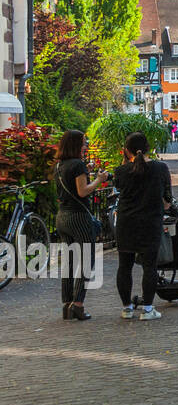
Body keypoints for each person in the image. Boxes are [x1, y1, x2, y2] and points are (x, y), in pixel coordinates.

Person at [114, 131, 173, 320]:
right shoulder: (160, 168)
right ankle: (148, 309)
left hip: (126, 222)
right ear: (148, 147)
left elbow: (120, 188)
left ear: (126, 150)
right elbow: (167, 201)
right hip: (150, 221)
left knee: (124, 266)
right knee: (150, 266)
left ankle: (127, 308)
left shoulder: (121, 171)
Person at [54, 130, 110, 321]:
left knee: (69, 262)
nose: (85, 146)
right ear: (76, 145)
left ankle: (66, 304)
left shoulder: (59, 165)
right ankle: (78, 304)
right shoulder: (77, 165)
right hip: (79, 218)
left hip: (62, 217)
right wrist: (99, 180)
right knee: (87, 260)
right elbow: (83, 191)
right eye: (84, 143)